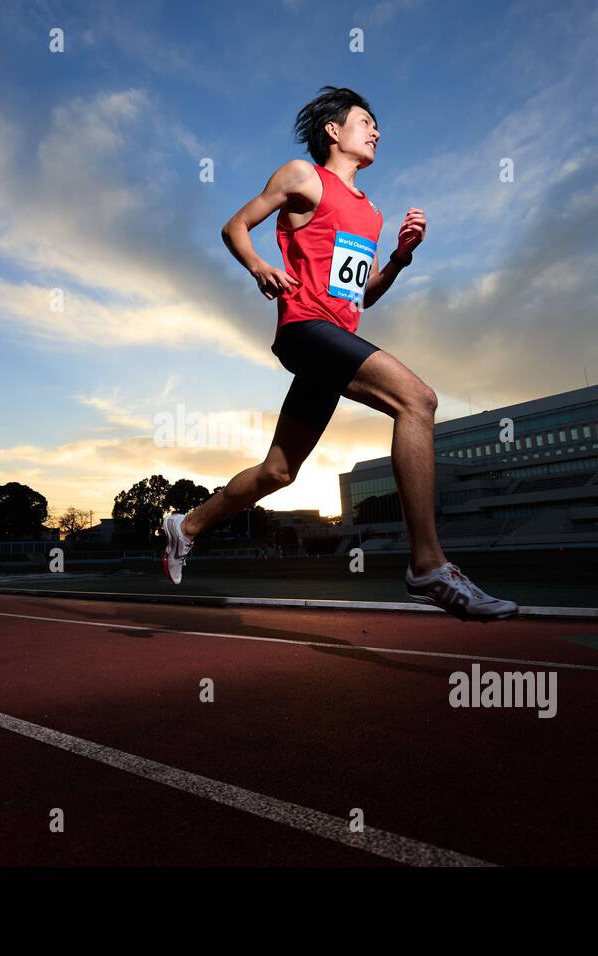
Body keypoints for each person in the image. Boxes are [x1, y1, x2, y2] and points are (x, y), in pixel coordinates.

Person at [161, 86, 517, 622]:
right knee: (417, 401)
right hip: (305, 329)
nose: (376, 132)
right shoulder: (303, 177)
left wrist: (398, 259)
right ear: (334, 130)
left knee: (280, 472)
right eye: (366, 121)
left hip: (335, 336)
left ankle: (185, 527)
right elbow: (233, 226)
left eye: (377, 126)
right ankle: (427, 564)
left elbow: (359, 297)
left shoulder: (370, 214)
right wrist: (260, 266)